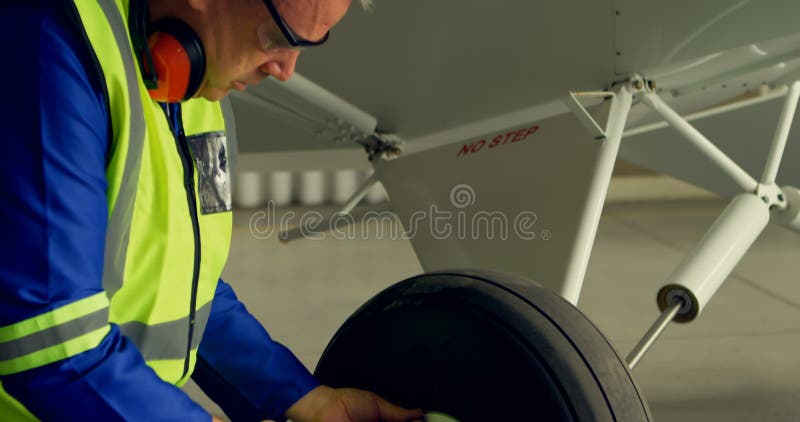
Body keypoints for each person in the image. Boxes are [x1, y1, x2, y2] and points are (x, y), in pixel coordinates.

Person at [0, 0, 424, 420]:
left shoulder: (201, 89)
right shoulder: (51, 43)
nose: (285, 70)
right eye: (277, 38)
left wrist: (304, 399)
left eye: (305, 46)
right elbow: (52, 343)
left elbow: (185, 285)